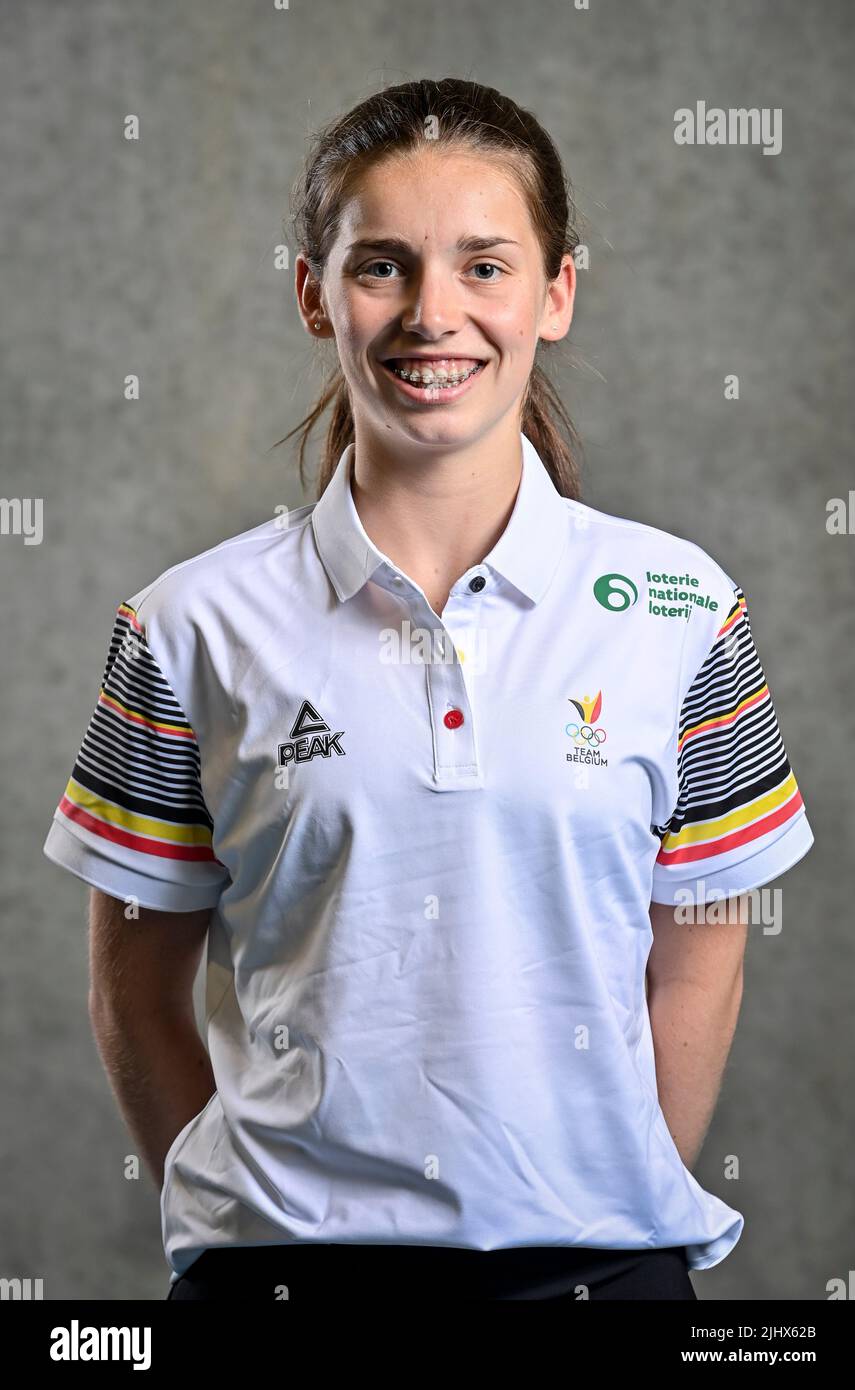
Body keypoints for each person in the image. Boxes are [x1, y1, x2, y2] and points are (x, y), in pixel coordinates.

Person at [43, 77, 814, 1302]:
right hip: (282, 1289)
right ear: (312, 294)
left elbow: (701, 952)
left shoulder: (682, 607)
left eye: (484, 266)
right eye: (382, 266)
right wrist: (250, 1227)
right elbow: (133, 986)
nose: (432, 313)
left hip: (603, 1283)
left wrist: (608, 1202)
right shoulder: (185, 624)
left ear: (555, 292)